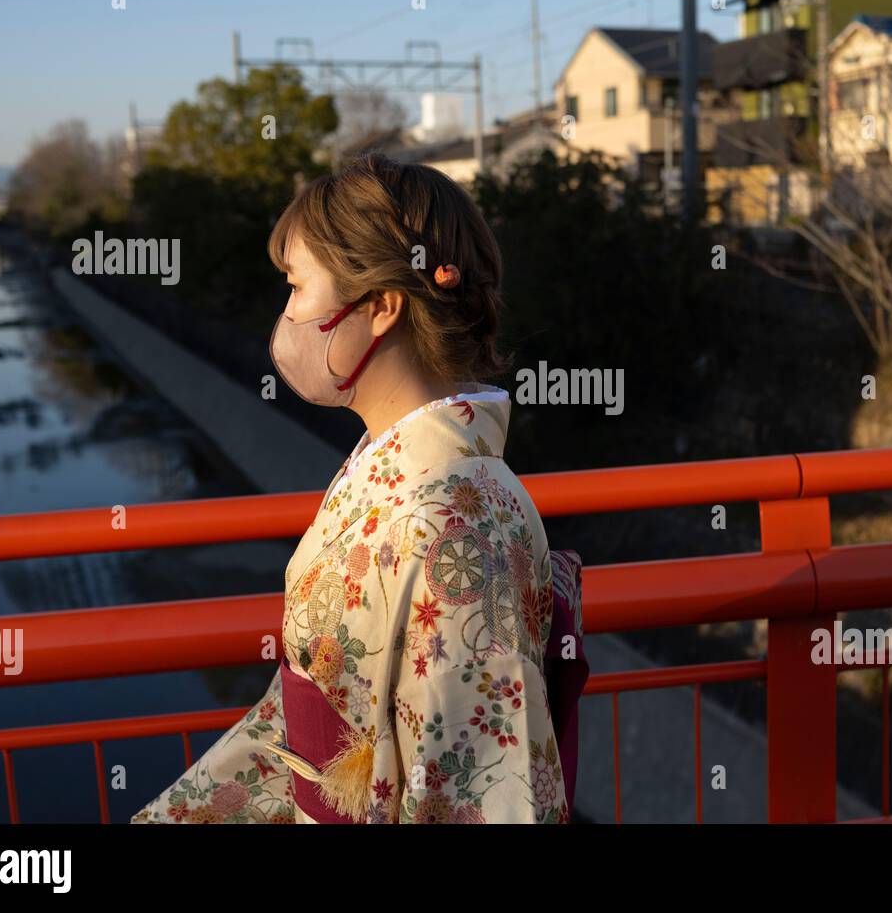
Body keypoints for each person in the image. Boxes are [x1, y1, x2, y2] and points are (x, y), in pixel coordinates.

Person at [131, 153, 588, 824]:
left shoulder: (451, 524)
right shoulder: (399, 467)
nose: (284, 318)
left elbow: (479, 796)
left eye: (295, 289)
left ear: (380, 308)